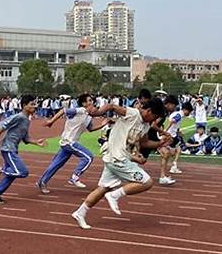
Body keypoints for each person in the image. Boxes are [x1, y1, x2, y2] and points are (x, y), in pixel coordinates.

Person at [71, 98, 166, 229]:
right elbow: (111, 106)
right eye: (154, 117)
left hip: (117, 158)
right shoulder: (133, 113)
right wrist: (97, 112)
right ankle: (114, 196)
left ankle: (80, 212)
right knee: (147, 182)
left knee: (103, 188)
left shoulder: (146, 125)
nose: (154, 121)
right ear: (148, 111)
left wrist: (160, 143)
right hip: (117, 158)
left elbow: (144, 143)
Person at [37, 94, 109, 194]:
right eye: (89, 100)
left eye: (92, 100)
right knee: (88, 157)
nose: (91, 102)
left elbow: (91, 129)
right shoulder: (79, 110)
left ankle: (42, 181)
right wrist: (51, 121)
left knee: (56, 164)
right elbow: (64, 110)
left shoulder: (88, 117)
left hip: (67, 143)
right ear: (83, 103)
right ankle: (75, 177)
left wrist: (102, 125)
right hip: (69, 142)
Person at [0, 95, 46, 204]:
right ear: (24, 106)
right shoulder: (19, 117)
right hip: (8, 149)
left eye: (35, 104)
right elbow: (1, 125)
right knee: (22, 172)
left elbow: (25, 138)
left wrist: (36, 142)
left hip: (13, 149)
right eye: (32, 104)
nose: (35, 106)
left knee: (12, 175)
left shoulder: (27, 120)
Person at [160, 102, 193, 176]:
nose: (189, 113)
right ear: (185, 110)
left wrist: (178, 130)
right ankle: (172, 166)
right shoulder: (179, 115)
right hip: (171, 135)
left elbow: (173, 123)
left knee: (177, 149)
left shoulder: (176, 113)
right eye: (189, 111)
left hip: (172, 134)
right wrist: (165, 131)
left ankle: (173, 165)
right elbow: (172, 121)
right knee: (173, 151)